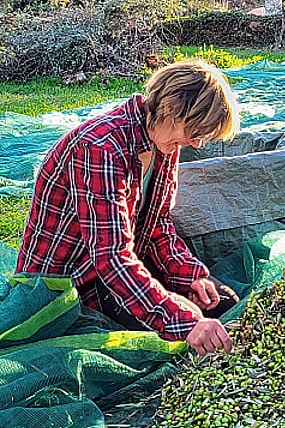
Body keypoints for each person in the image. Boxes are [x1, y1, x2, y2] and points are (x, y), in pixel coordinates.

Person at [16, 59, 240, 356]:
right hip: (75, 284)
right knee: (182, 340)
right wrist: (183, 322)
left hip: (122, 268)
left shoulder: (162, 140)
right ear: (172, 109)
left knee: (223, 304)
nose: (196, 144)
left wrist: (190, 275)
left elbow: (157, 223)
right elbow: (111, 259)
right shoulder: (102, 148)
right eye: (195, 132)